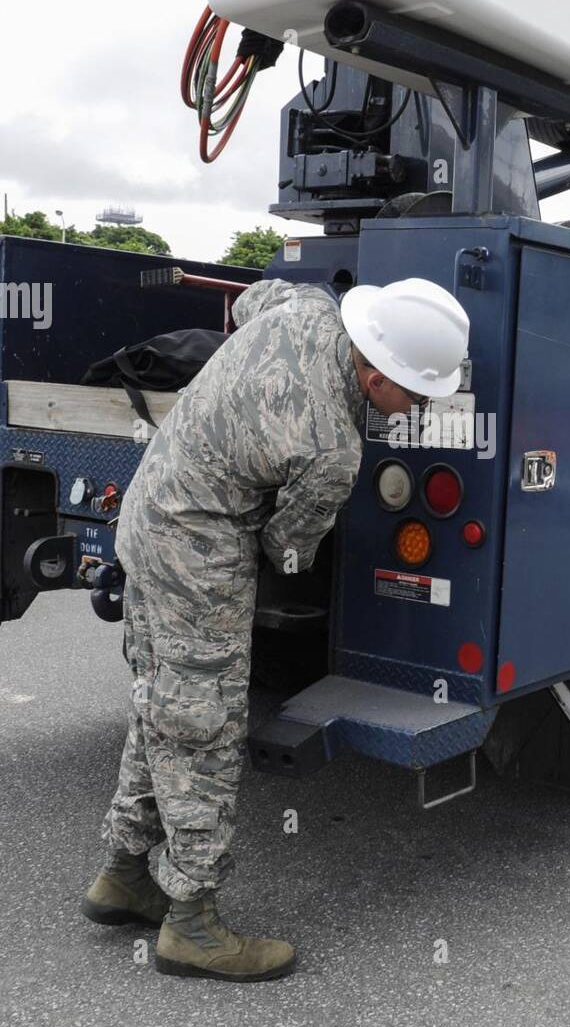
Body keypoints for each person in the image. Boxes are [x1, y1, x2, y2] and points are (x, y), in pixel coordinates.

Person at [81, 274, 469, 981]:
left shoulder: (305, 307)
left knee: (159, 705)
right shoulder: (333, 449)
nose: (414, 410)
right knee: (204, 726)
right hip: (196, 555)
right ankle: (191, 921)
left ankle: (123, 872)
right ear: (376, 374)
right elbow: (287, 547)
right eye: (415, 394)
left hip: (146, 511)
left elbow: (249, 298)